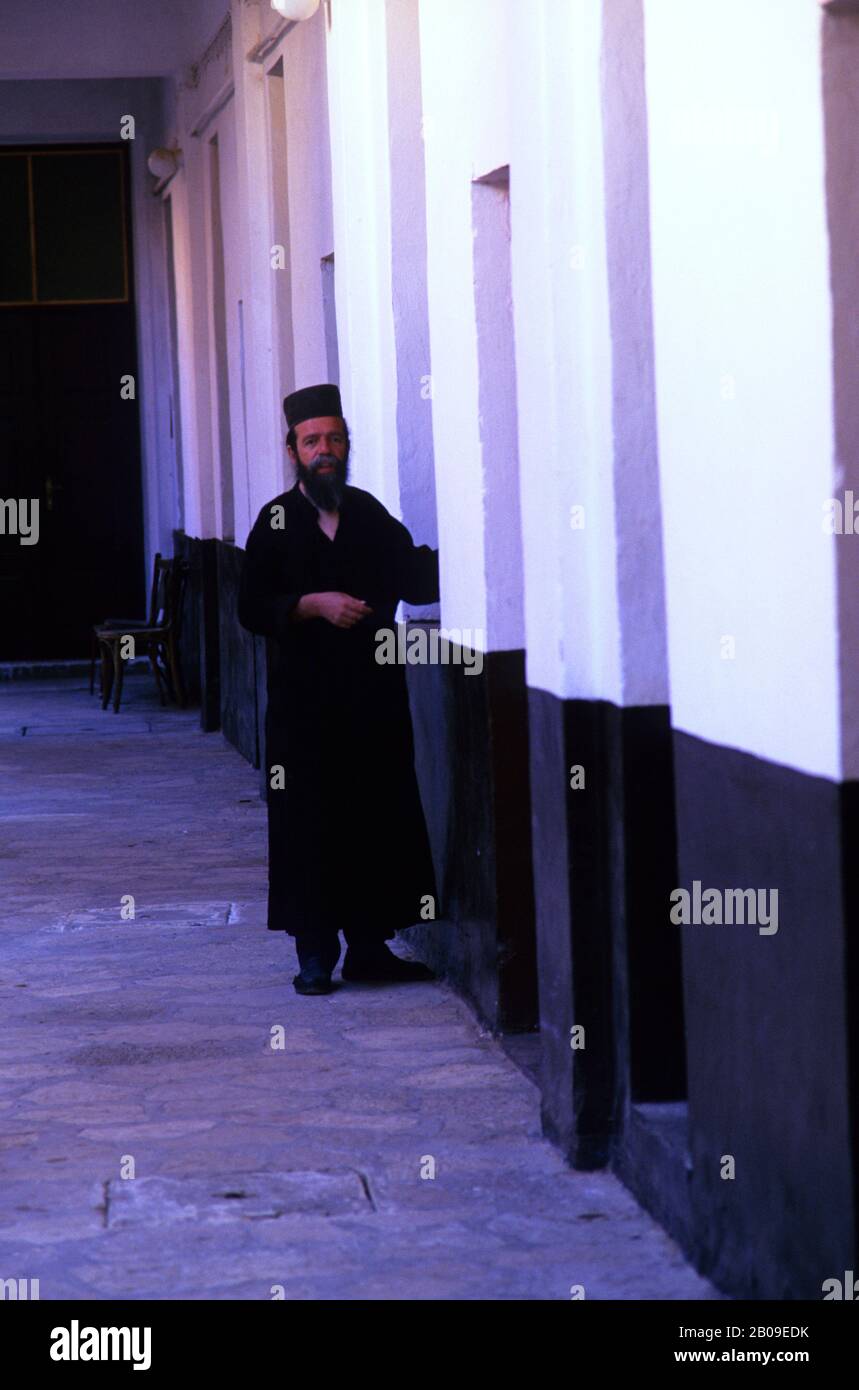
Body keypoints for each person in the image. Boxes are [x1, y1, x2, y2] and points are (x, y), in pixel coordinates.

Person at [238, 383, 439, 995]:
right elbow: (250, 606)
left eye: (333, 439)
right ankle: (315, 955)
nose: (324, 450)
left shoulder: (369, 513)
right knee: (309, 823)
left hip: (373, 702)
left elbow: (414, 575)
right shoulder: (274, 521)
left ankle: (372, 949)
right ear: (293, 449)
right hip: (304, 711)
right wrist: (310, 605)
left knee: (376, 817)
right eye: (311, 441)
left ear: (346, 445)